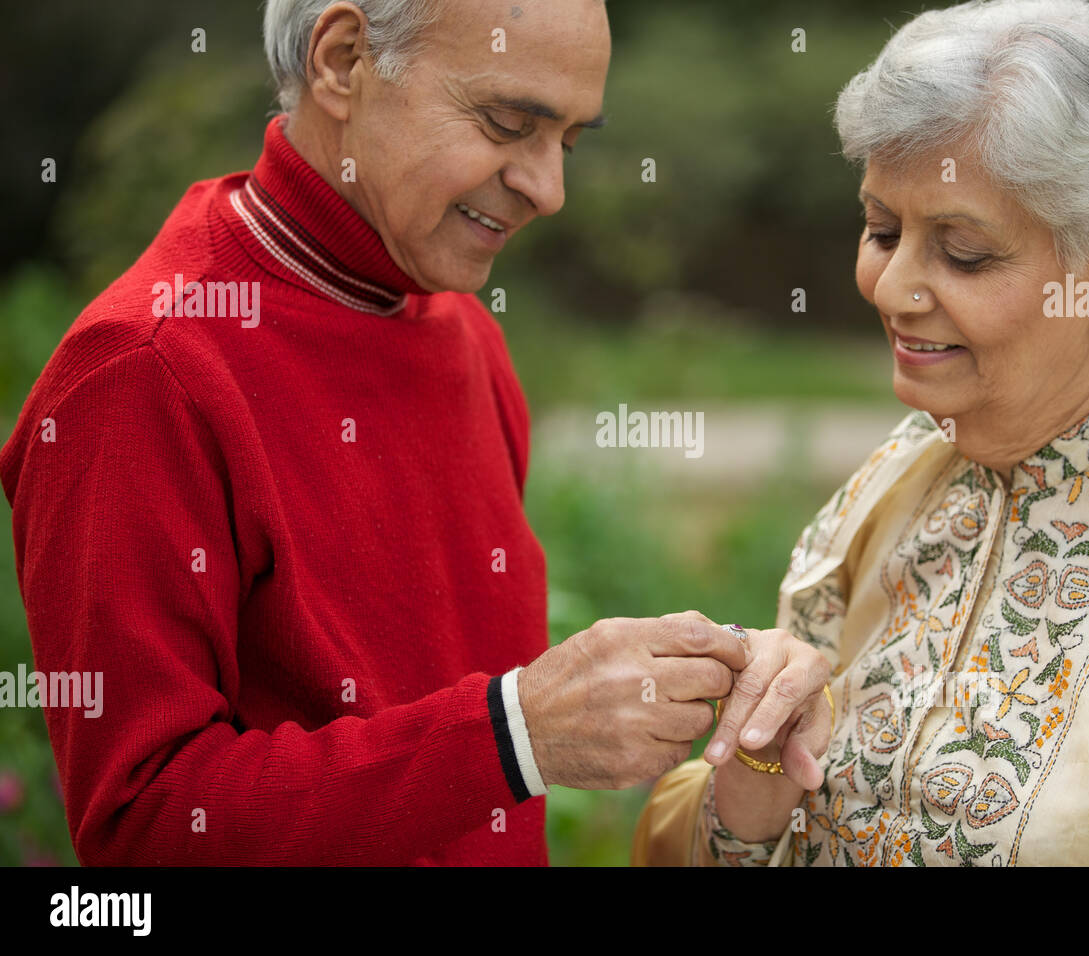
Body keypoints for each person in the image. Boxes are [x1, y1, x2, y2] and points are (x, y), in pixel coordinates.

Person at [0, 0, 801, 865]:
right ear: (343, 60)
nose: (548, 189)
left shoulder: (461, 327)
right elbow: (142, 829)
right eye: (508, 123)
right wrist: (512, 735)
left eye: (567, 142)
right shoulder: (140, 372)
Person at [636, 0, 1089, 867]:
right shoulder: (879, 502)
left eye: (964, 253)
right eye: (881, 230)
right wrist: (752, 786)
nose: (892, 287)